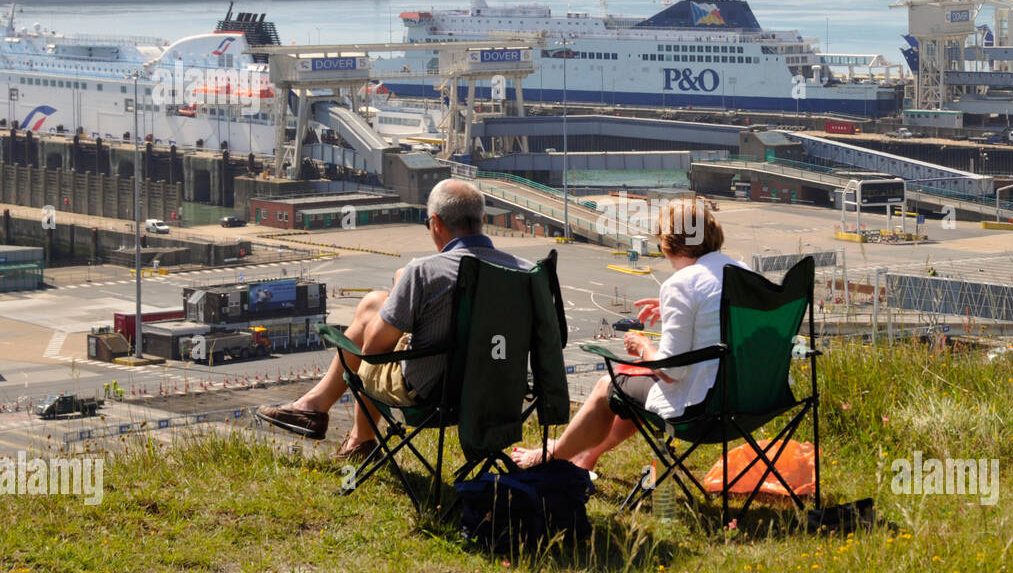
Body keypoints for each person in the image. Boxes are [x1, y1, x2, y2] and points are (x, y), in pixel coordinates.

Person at [257, 179, 531, 462]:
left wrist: (400, 291)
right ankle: (325, 415)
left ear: (435, 223)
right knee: (375, 301)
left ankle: (344, 429)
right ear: (483, 220)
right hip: (499, 394)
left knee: (373, 311)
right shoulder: (526, 273)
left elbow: (375, 349)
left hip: (433, 394)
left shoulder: (424, 271)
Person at [511, 197, 742, 471]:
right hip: (747, 402)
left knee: (609, 385)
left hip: (703, 410)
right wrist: (675, 309)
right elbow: (716, 317)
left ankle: (551, 457)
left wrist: (643, 345)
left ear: (669, 242)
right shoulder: (740, 272)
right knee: (636, 386)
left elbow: (671, 371)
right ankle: (584, 456)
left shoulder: (681, 284)